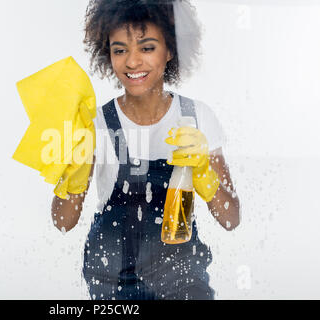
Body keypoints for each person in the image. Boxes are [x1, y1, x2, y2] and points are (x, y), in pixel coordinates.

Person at [51, 0, 240, 300]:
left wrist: (204, 173)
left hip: (183, 272)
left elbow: (231, 218)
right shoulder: (94, 124)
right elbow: (63, 222)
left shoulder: (197, 116)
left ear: (171, 49)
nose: (132, 62)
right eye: (120, 49)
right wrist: (73, 178)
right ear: (108, 54)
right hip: (110, 274)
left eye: (147, 47)